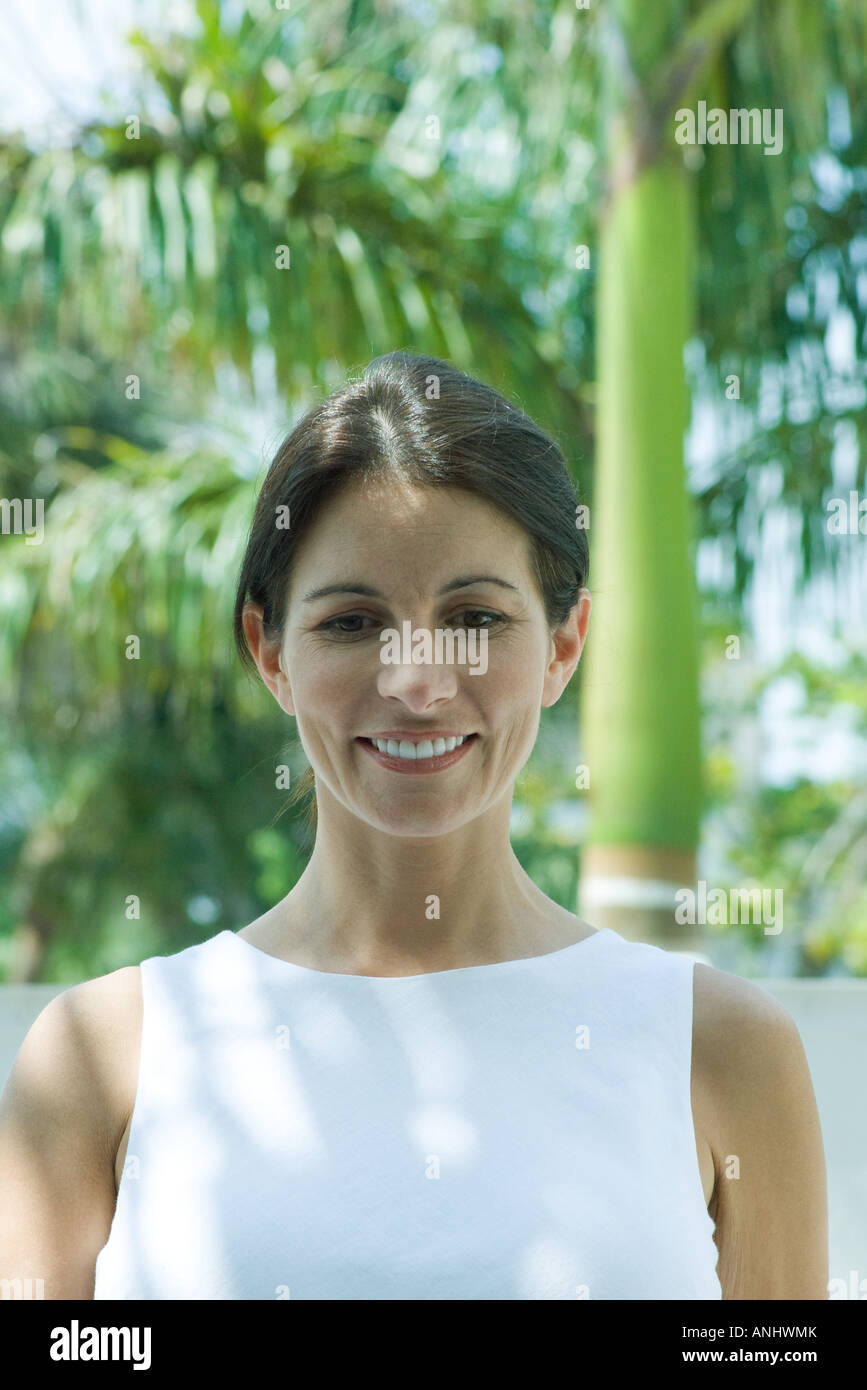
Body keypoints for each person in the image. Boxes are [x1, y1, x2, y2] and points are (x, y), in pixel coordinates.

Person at [0, 352, 827, 1299]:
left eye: (473, 617)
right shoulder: (99, 1060)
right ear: (268, 652)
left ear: (563, 647)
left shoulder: (722, 1050)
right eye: (352, 623)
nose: (416, 683)